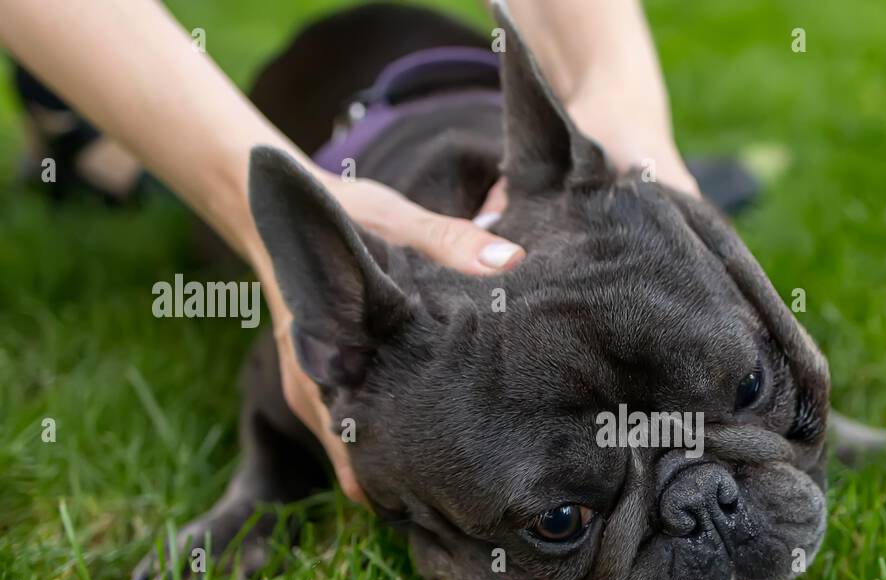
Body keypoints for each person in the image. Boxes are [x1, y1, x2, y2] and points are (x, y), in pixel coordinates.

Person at [0, 0, 700, 502]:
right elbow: (282, 391)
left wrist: (622, 91)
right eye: (561, 521)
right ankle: (79, 117)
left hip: (435, 66)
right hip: (328, 85)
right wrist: (244, 203)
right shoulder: (371, 337)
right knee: (209, 238)